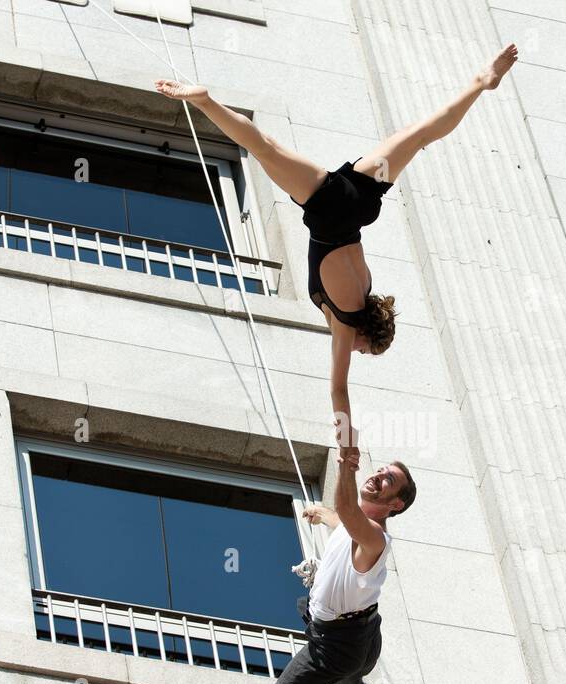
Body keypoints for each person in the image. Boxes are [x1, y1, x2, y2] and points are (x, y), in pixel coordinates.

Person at [154, 43, 518, 455]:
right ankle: (205, 102)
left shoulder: (365, 290)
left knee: (417, 136)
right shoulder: (345, 323)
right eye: (367, 349)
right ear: (367, 335)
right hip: (329, 211)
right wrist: (347, 443)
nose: (357, 351)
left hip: (362, 198)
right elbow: (339, 391)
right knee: (262, 147)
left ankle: (479, 83)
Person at [174, 451, 418, 684]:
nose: (378, 476)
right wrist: (324, 515)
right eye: (379, 471)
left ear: (395, 504)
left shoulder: (374, 538)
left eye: (388, 480)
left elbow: (351, 517)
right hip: (362, 638)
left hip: (336, 645)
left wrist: (343, 466)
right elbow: (346, 521)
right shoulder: (357, 527)